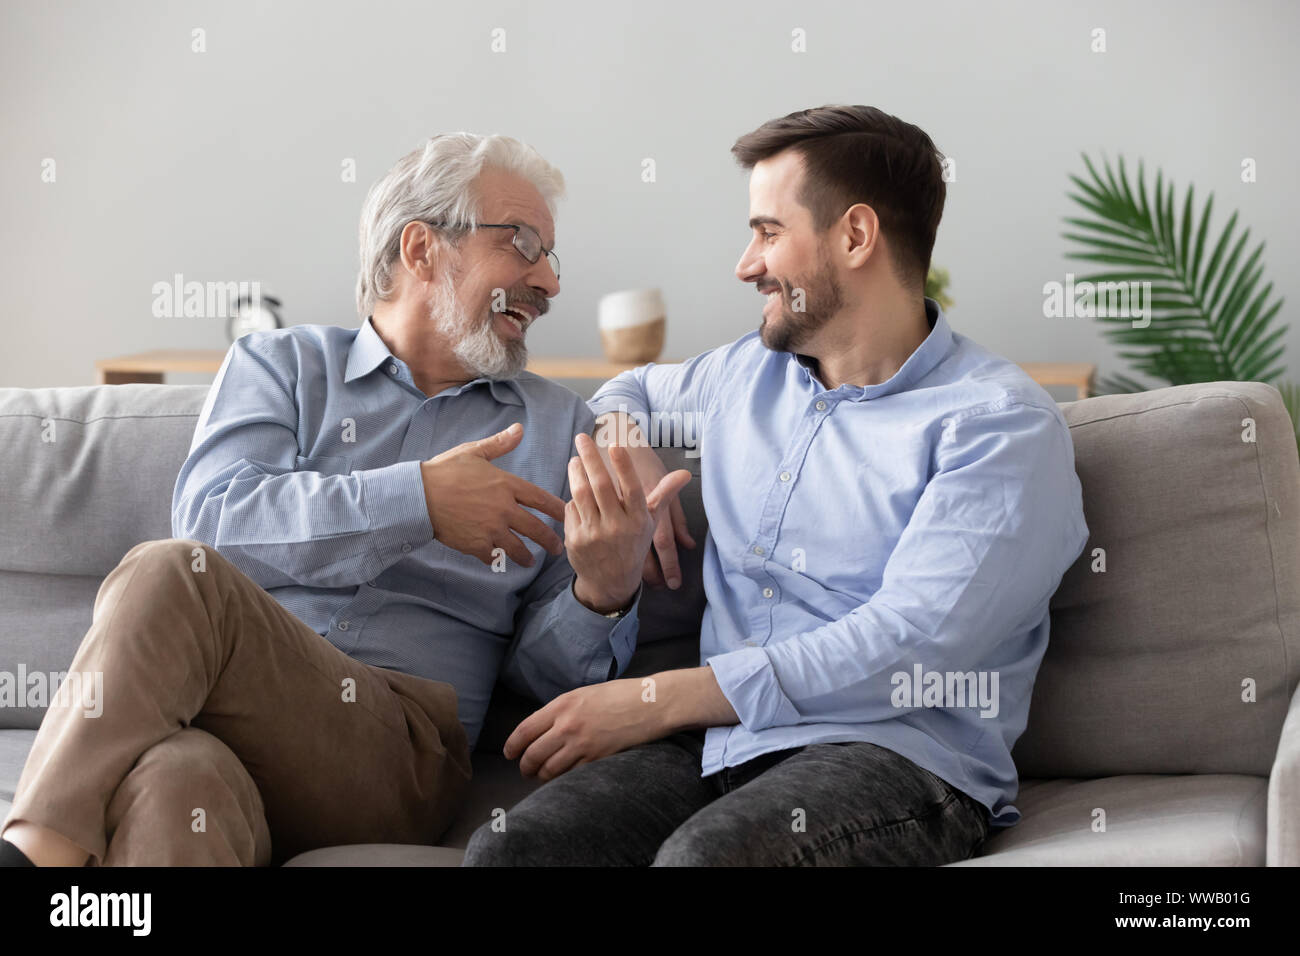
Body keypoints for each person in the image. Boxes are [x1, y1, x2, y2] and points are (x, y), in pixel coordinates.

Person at [0, 133, 682, 867]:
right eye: (522, 244)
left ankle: (31, 856)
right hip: (225, 727)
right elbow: (213, 520)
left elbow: (545, 692)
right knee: (176, 779)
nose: (548, 281)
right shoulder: (281, 367)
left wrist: (601, 594)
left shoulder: (560, 429)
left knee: (174, 574)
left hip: (397, 756)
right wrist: (417, 499)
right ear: (421, 249)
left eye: (551, 256)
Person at [463, 105, 1090, 867]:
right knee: (513, 850)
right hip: (720, 748)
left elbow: (912, 644)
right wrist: (629, 446)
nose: (745, 264)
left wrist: (660, 698)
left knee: (708, 862)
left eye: (767, 232)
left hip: (894, 755)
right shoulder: (740, 377)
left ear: (855, 237)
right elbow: (625, 390)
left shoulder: (999, 425)